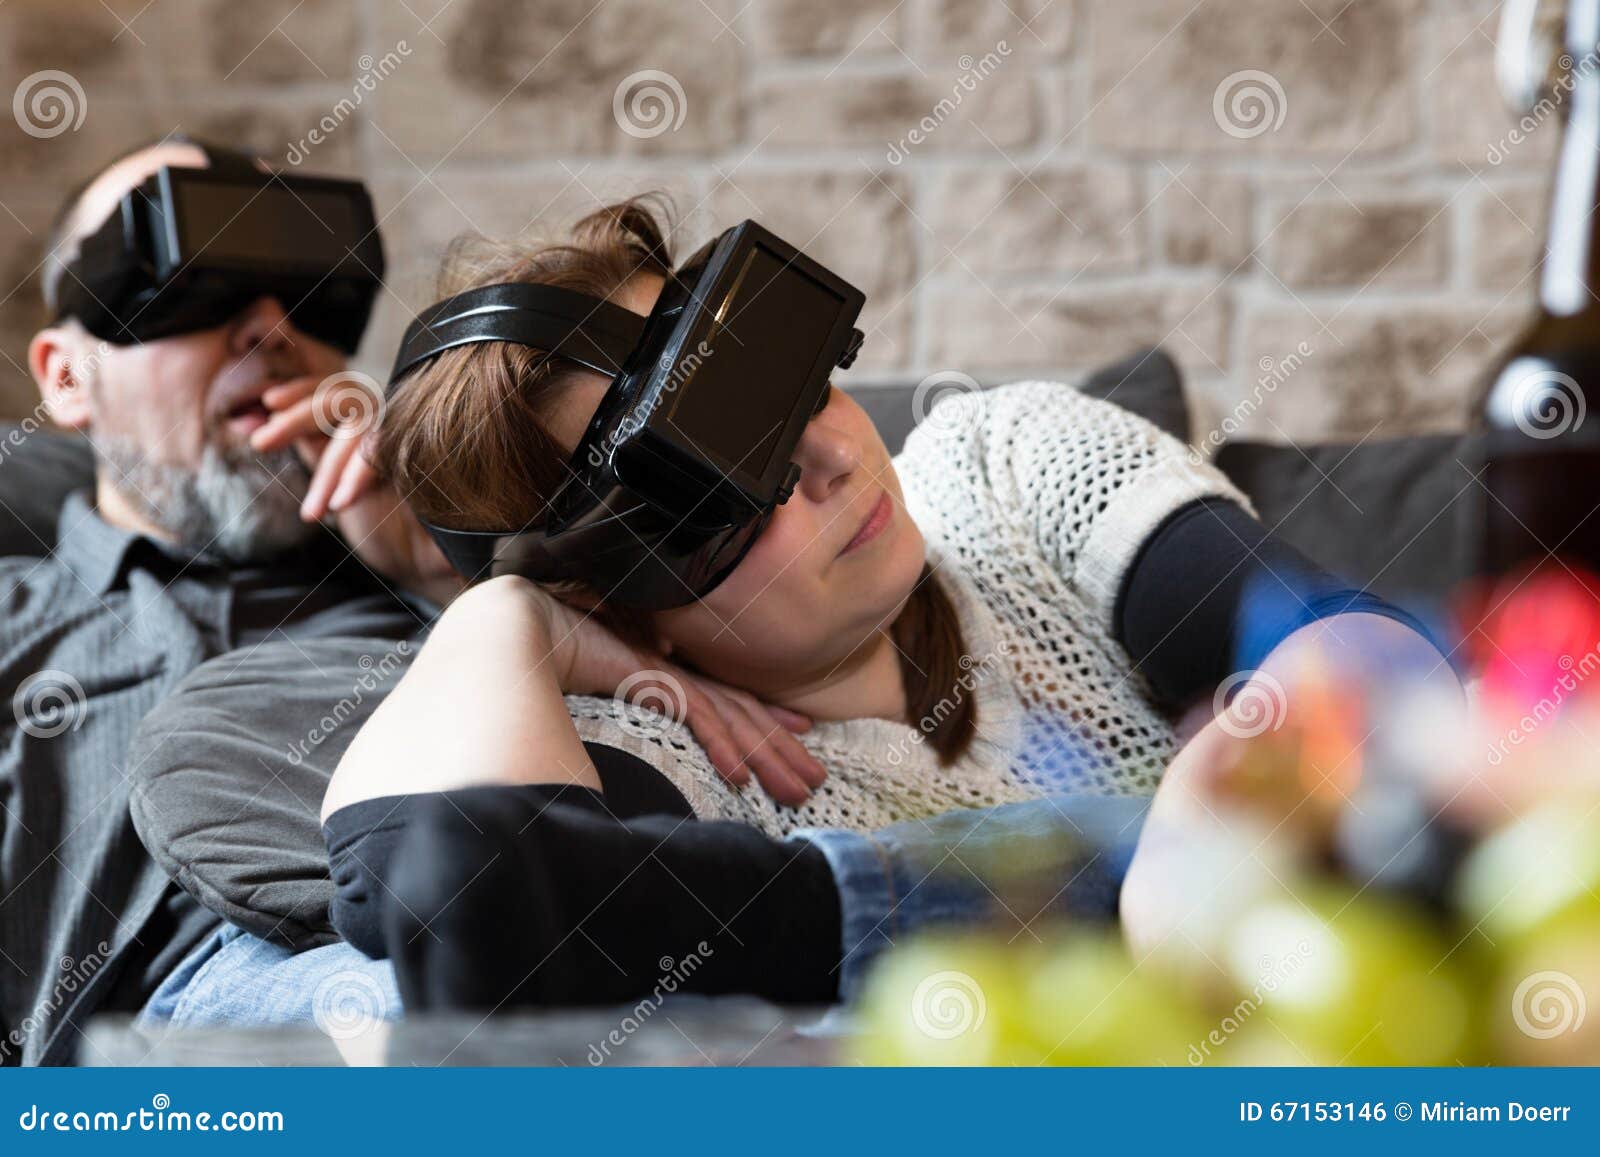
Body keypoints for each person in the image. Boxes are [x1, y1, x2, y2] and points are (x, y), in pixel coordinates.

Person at [300, 197, 1462, 1012]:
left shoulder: (999, 464)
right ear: (613, 598)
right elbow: (458, 895)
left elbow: (1360, 651)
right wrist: (500, 621)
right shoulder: (660, 751)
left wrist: (1192, 838)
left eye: (786, 387)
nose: (829, 457)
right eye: (721, 487)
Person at [0, 136, 454, 1066]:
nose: (270, 328)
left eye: (307, 292)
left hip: (485, 936)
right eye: (189, 287)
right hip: (182, 1055)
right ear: (66, 377)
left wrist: (450, 569)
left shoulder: (461, 586)